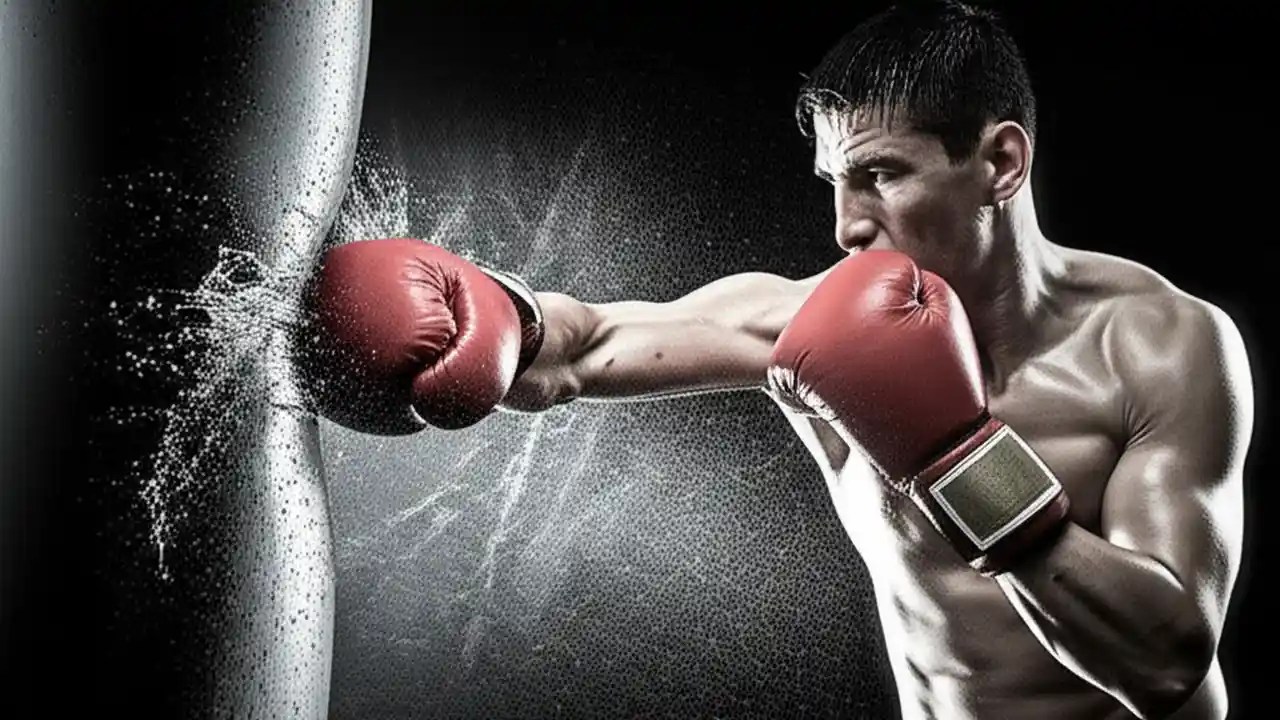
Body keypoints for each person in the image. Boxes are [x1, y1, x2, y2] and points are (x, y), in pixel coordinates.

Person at [303, 2, 1252, 718]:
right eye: (835, 184)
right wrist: (484, 316)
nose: (846, 227)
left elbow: (1167, 662)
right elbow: (583, 349)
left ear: (1001, 163)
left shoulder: (1163, 344)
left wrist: (954, 458)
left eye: (881, 176)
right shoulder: (803, 326)